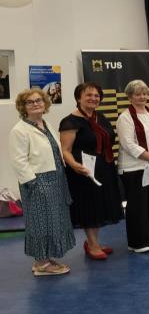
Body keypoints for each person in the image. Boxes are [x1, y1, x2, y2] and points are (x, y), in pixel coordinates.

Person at [9, 89, 75, 275]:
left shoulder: (45, 125)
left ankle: (45, 258)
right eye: (30, 102)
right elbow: (19, 161)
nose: (35, 104)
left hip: (55, 179)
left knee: (52, 221)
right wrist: (33, 183)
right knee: (39, 223)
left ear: (45, 103)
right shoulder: (19, 130)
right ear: (23, 107)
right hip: (37, 181)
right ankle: (41, 264)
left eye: (38, 100)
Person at [59, 82, 123, 260]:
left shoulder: (100, 117)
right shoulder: (69, 122)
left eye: (96, 95)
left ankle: (94, 242)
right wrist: (74, 165)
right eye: (88, 95)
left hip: (104, 167)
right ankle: (93, 245)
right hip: (83, 171)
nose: (93, 98)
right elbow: (65, 150)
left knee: (100, 205)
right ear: (78, 97)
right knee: (89, 207)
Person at [117, 80, 149, 253]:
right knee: (138, 206)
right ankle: (138, 242)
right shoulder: (124, 117)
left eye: (145, 93)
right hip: (135, 168)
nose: (142, 97)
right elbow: (128, 144)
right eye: (138, 94)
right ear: (130, 96)